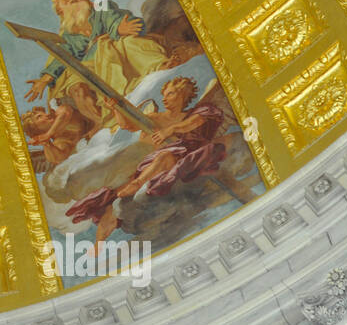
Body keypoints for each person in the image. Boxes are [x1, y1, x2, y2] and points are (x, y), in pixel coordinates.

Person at [65, 77, 237, 248]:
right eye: (164, 94)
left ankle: (138, 184)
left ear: (183, 94)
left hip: (179, 159)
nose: (164, 98)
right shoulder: (156, 117)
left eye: (170, 94)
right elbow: (128, 124)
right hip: (149, 165)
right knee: (110, 201)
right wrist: (115, 108)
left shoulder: (194, 114)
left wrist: (170, 130)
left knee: (165, 157)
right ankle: (98, 243)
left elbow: (194, 123)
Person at [22, 0, 171, 126]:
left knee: (130, 44)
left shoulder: (101, 9)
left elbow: (114, 19)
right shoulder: (70, 34)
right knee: (77, 88)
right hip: (92, 65)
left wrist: (118, 28)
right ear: (61, 10)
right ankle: (107, 122)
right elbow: (63, 55)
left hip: (114, 51)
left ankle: (162, 69)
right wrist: (45, 79)